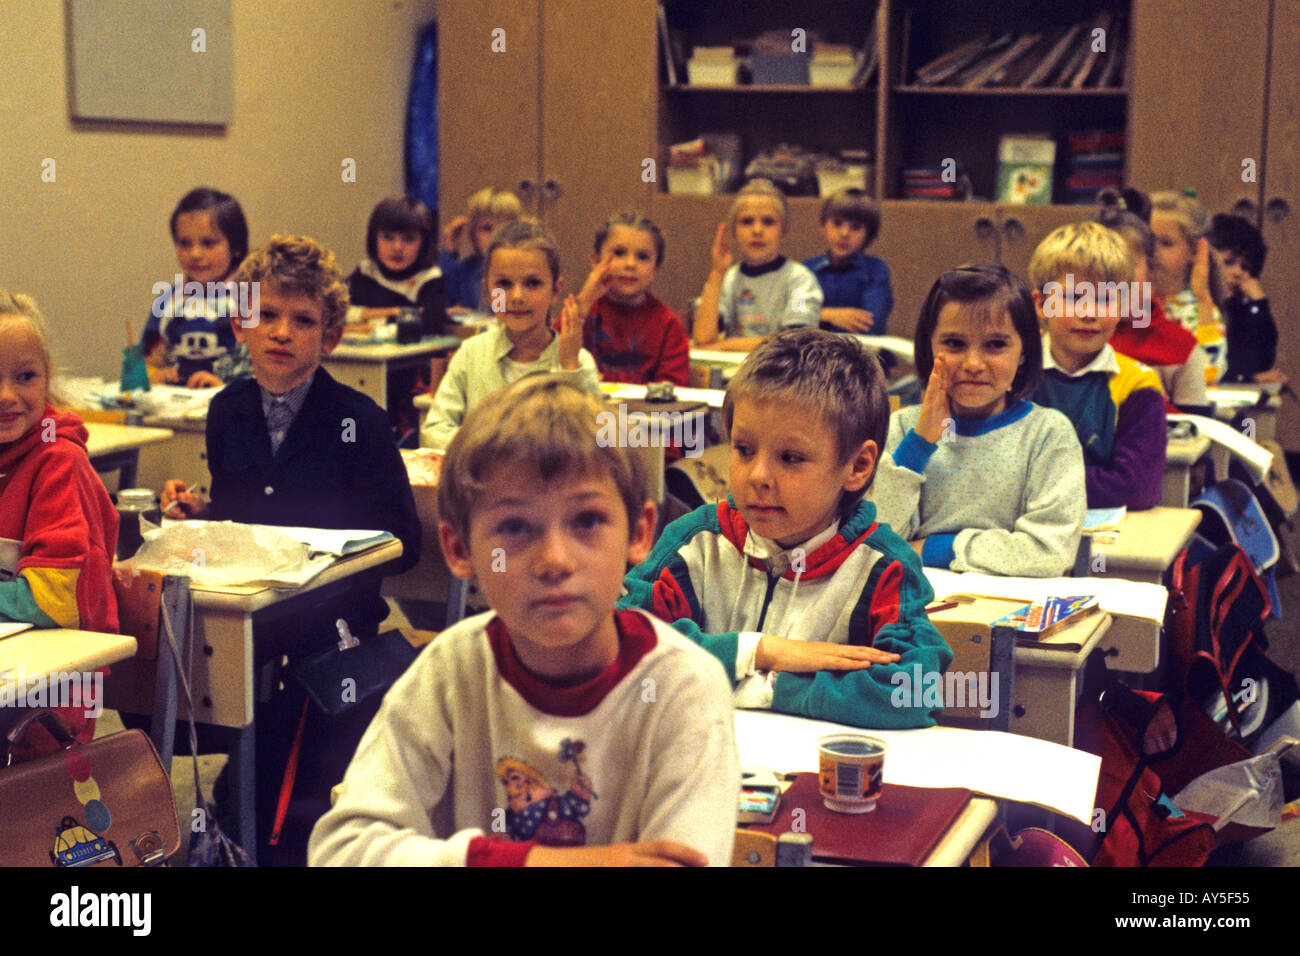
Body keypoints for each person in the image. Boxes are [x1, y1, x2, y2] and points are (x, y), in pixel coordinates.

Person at [310, 377, 740, 866]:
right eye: (515, 527)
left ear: (640, 534)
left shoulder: (685, 687)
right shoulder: (452, 670)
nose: (554, 560)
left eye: (587, 521)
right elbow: (341, 850)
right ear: (459, 549)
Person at [621, 327, 952, 729]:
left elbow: (913, 692)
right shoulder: (692, 542)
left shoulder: (884, 567)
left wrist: (765, 688)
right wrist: (757, 651)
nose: (758, 475)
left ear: (858, 466)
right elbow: (619, 646)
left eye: (791, 458)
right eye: (743, 450)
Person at [160, 234, 420, 635]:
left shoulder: (360, 422)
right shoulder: (226, 410)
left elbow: (404, 546)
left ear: (330, 338)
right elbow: (239, 519)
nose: (282, 332)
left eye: (303, 320)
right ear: (240, 325)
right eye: (266, 315)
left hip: (333, 624)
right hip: (248, 613)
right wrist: (204, 514)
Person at [869, 265, 1085, 577]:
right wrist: (919, 445)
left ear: (1025, 350)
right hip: (913, 604)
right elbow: (876, 543)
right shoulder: (902, 429)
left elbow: (1050, 551)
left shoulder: (1049, 434)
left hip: (1012, 608)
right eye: (954, 343)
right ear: (929, 344)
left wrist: (934, 548)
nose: (973, 364)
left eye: (996, 345)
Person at [0, 291, 118, 755]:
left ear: (47, 381)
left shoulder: (58, 463)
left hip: (53, 691)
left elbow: (53, 601)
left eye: (25, 377)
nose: (7, 396)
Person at [421, 219, 600, 453]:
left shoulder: (578, 362)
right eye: (504, 284)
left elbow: (591, 446)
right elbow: (434, 431)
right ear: (488, 290)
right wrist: (494, 451)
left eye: (532, 284)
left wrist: (569, 368)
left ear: (555, 291)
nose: (516, 296)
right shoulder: (471, 354)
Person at [1029, 222, 1167, 510]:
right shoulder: (1014, 376)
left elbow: (1137, 489)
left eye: (1105, 299)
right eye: (1074, 298)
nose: (1089, 313)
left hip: (1116, 542)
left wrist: (1031, 483)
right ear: (1042, 304)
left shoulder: (1138, 384)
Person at [1095, 187, 1208, 409]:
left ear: (1150, 269)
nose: (1117, 277)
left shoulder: (1180, 348)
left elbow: (1195, 434)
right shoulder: (1072, 341)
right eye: (1104, 264)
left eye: (1129, 264)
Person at [692, 179, 822, 351]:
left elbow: (795, 340)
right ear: (733, 231)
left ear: (784, 231)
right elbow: (702, 338)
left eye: (768, 222)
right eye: (747, 221)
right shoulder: (728, 278)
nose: (757, 230)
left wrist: (722, 346)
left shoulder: (800, 280)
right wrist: (717, 272)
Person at [141, 187, 251, 387]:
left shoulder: (250, 299)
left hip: (232, 408)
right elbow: (147, 360)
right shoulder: (168, 301)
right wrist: (154, 377)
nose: (195, 254)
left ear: (236, 247)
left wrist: (227, 389)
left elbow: (265, 370)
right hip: (174, 409)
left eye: (208, 243)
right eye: (184, 243)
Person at [570, 211, 689, 385]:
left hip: (644, 412)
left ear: (656, 268)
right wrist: (584, 300)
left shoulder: (668, 326)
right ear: (596, 260)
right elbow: (552, 358)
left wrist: (606, 380)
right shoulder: (584, 312)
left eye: (642, 257)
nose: (630, 264)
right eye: (619, 253)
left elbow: (672, 389)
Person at [1149, 189, 1227, 383]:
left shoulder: (1198, 310)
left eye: (1166, 243)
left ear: (1194, 251)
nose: (1153, 251)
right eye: (1148, 241)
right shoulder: (1124, 304)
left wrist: (1202, 297)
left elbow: (1209, 373)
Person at [346, 196, 447, 338]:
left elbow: (428, 326)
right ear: (373, 239)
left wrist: (367, 324)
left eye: (409, 239)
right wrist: (392, 313)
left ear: (423, 243)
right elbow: (338, 315)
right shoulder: (365, 272)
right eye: (388, 237)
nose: (397, 247)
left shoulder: (430, 279)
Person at [1206, 212, 1285, 385]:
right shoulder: (1191, 304)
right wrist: (1246, 378)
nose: (1238, 272)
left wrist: (1258, 304)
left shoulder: (1235, 308)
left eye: (1245, 267)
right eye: (1229, 262)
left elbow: (1262, 362)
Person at [804, 187, 893, 336]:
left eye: (855, 227)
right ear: (822, 226)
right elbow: (793, 316)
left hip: (864, 351)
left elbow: (872, 325)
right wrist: (828, 314)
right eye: (837, 223)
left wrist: (814, 316)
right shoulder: (806, 269)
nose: (844, 234)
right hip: (816, 352)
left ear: (869, 234)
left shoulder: (876, 270)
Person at [438, 186, 523, 313]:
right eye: (486, 228)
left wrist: (473, 316)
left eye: (503, 228)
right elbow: (442, 304)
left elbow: (500, 316)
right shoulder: (467, 268)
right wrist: (449, 253)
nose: (495, 236)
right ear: (473, 234)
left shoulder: (521, 269)